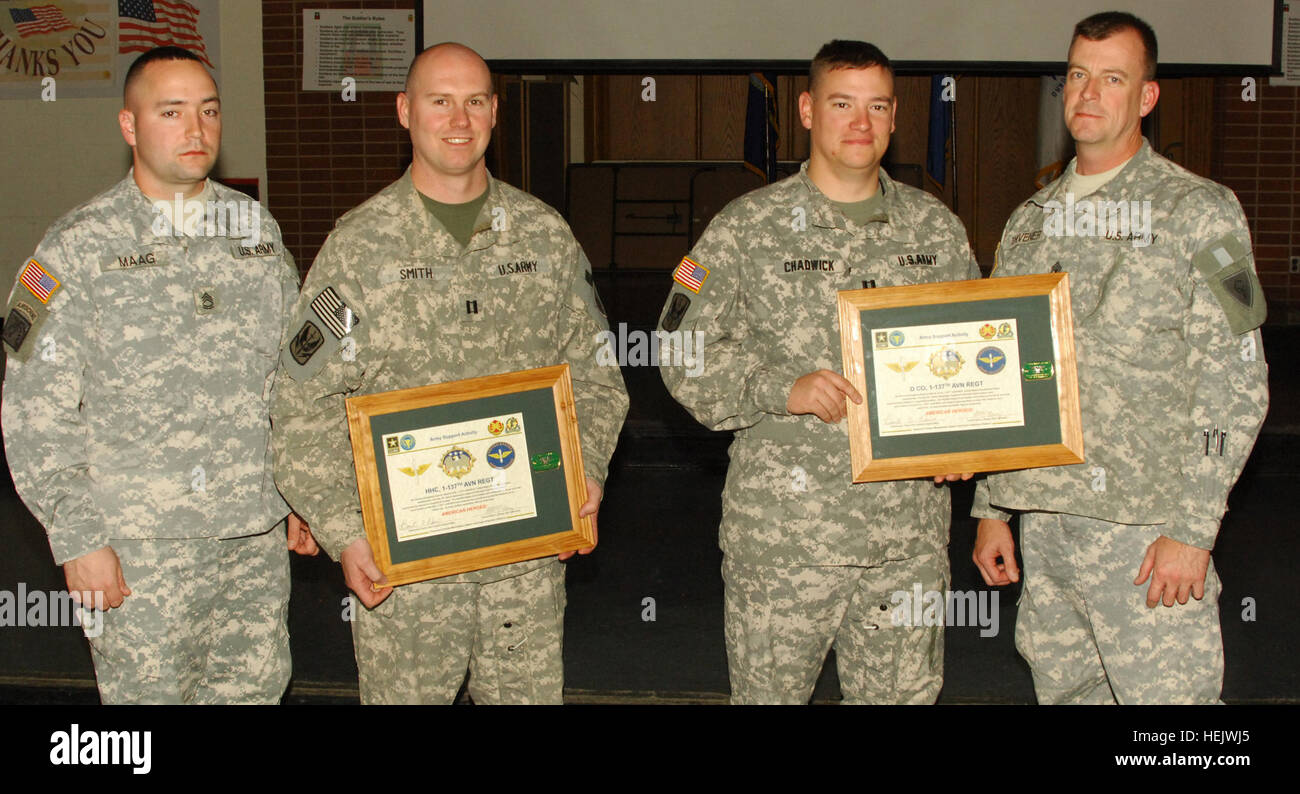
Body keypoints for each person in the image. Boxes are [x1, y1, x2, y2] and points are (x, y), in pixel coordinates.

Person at [270, 42, 628, 705]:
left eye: (474, 102)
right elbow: (301, 401)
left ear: (493, 112)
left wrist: (589, 474)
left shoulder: (544, 237)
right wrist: (343, 530)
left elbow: (598, 375)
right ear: (406, 111)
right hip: (404, 573)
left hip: (523, 557)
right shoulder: (360, 247)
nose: (458, 120)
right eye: (440, 101)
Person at [657, 40, 978, 704]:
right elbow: (677, 347)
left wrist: (967, 438)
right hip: (784, 546)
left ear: (894, 116)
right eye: (842, 104)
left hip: (905, 543)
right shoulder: (745, 229)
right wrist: (781, 389)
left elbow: (977, 354)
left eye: (877, 106)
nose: (861, 123)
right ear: (807, 109)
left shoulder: (937, 231)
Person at [1, 46, 314, 704]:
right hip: (138, 547)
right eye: (171, 112)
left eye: (208, 110)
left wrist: (304, 494)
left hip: (250, 539)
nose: (195, 130)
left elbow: (292, 378)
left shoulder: (255, 231)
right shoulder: (74, 247)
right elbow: (33, 407)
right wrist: (77, 535)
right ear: (129, 125)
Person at [971, 12, 1269, 704]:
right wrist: (993, 505)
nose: (1089, 93)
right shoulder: (1030, 221)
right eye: (1077, 75)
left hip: (1144, 536)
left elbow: (1237, 383)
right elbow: (1002, 372)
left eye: (1112, 78)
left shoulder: (1199, 213)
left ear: (1146, 98)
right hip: (1047, 530)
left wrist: (1192, 531)